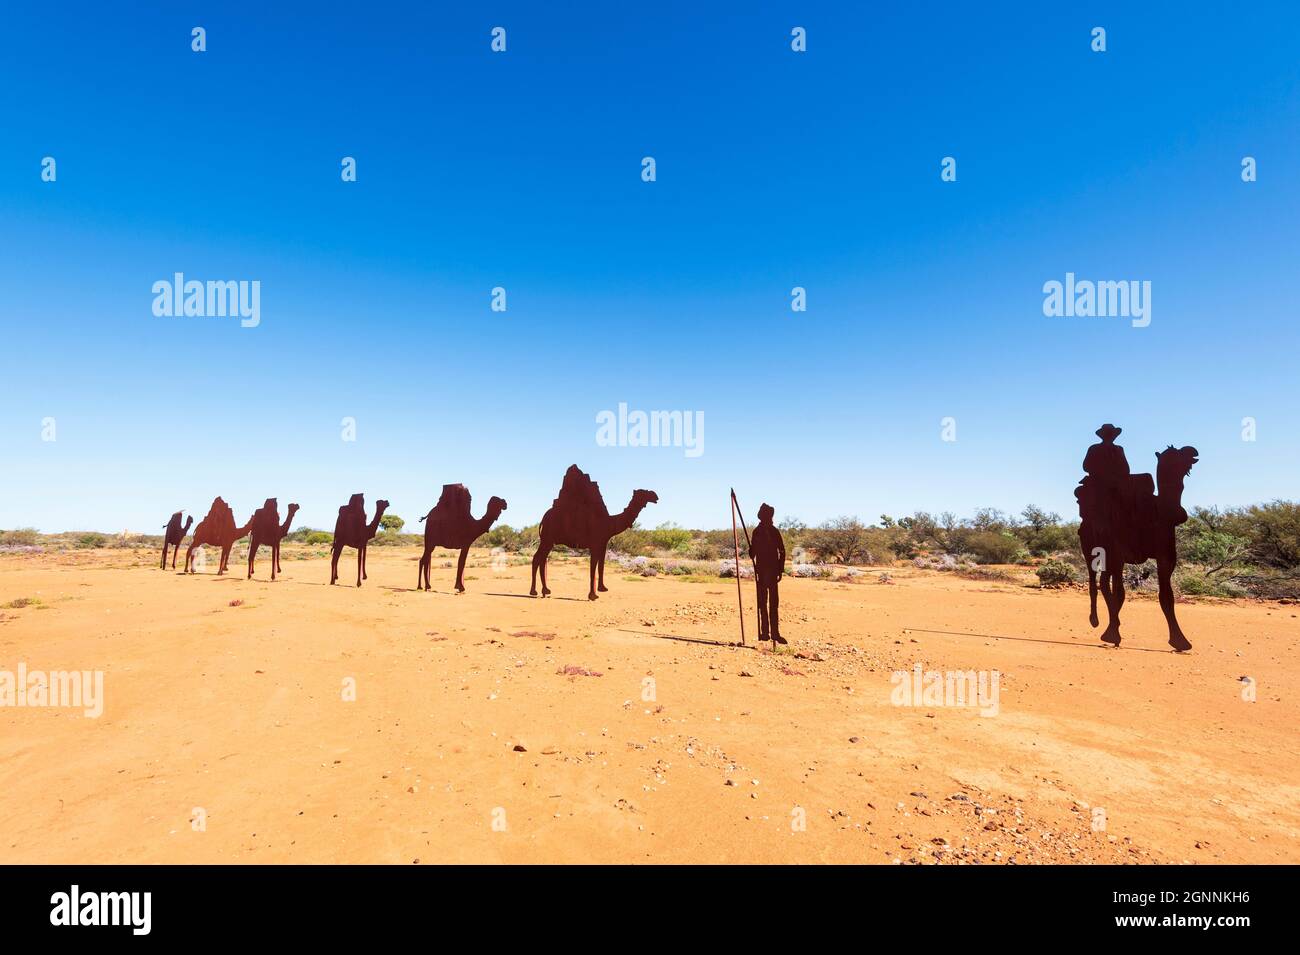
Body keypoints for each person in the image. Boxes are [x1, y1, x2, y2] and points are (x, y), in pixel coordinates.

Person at [1079, 424, 1131, 535]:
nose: (1110, 436)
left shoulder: (1119, 449)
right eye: (1108, 434)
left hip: (1117, 483)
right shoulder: (1094, 448)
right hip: (1098, 482)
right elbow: (1086, 466)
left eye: (1111, 434)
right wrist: (1102, 471)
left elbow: (1126, 469)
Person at [748, 503, 787, 644]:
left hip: (772, 571)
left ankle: (775, 633)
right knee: (762, 603)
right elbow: (753, 553)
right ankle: (765, 633)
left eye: (770, 516)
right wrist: (751, 550)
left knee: (773, 603)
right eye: (767, 516)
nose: (769, 518)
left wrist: (780, 569)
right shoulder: (756, 532)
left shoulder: (774, 531)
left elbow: (782, 551)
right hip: (761, 571)